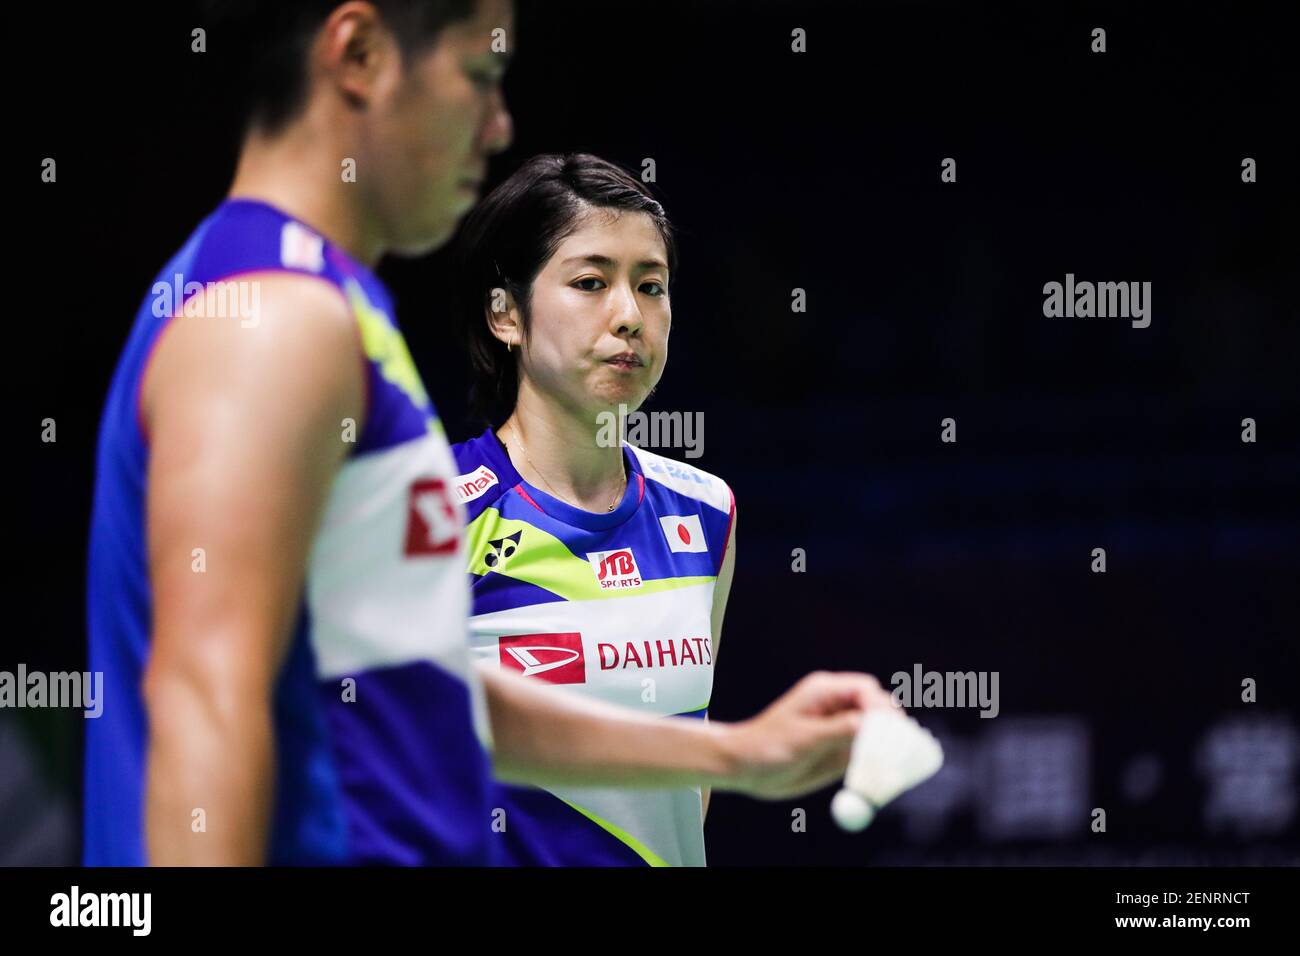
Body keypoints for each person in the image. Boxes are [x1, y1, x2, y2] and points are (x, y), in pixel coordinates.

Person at [84, 0, 894, 866]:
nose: (499, 122)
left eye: (651, 286)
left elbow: (434, 694)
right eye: (478, 76)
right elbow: (206, 700)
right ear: (358, 55)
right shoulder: (278, 319)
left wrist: (740, 755)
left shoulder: (318, 306)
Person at [450, 153, 732, 866]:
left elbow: (685, 773)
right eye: (589, 283)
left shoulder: (706, 513)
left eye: (651, 286)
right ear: (505, 314)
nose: (630, 316)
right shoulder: (430, 517)